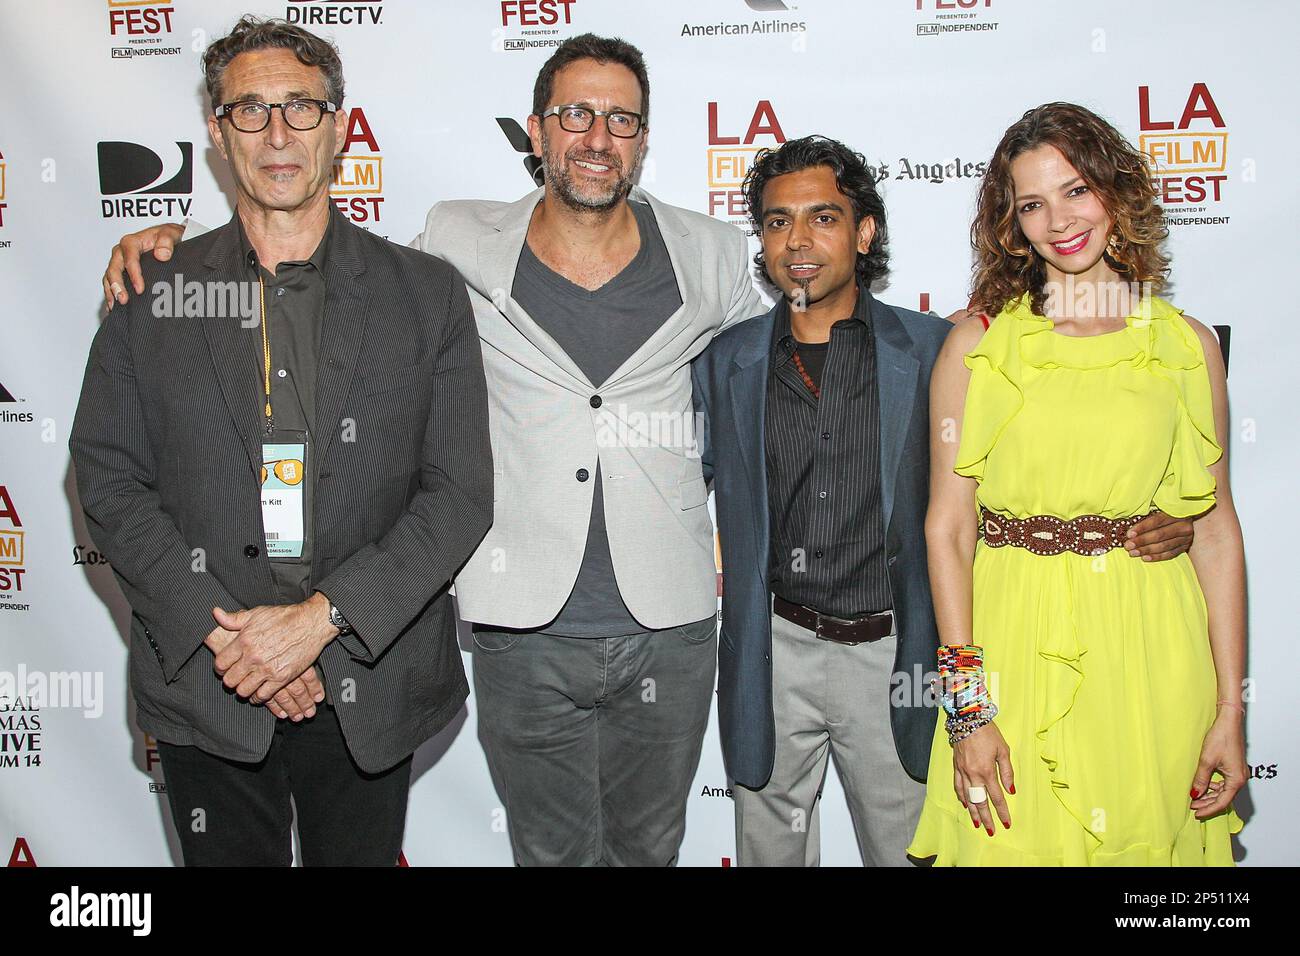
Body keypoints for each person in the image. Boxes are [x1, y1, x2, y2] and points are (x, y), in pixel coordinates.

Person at [101, 33, 760, 866]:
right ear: (536, 130)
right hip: (507, 624)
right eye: (574, 114)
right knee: (547, 852)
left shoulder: (710, 254)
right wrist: (165, 246)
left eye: (621, 119)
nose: (597, 137)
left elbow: (768, 365)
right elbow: (116, 473)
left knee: (651, 849)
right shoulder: (455, 244)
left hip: (653, 620)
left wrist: (930, 338)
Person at [691, 135, 1198, 866]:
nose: (797, 241)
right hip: (772, 654)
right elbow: (681, 493)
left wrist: (1170, 514)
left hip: (901, 656)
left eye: (823, 218)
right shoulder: (726, 361)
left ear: (864, 232)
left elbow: (1046, 454)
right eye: (776, 222)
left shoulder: (941, 350)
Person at [71, 16, 493, 866]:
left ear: (338, 123)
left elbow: (458, 494)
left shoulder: (426, 294)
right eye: (249, 110)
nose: (277, 134)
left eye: (300, 108)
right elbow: (109, 479)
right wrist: (233, 638)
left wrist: (318, 623)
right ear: (218, 132)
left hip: (367, 683)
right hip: (207, 684)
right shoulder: (155, 293)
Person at [909, 102, 1246, 866]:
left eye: (1075, 190)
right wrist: (968, 712)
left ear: (1115, 190)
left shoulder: (1186, 345)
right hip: (1014, 642)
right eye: (1031, 203)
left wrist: (1230, 711)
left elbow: (1217, 528)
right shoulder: (979, 344)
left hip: (1151, 646)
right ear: (1011, 224)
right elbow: (947, 529)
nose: (1058, 219)